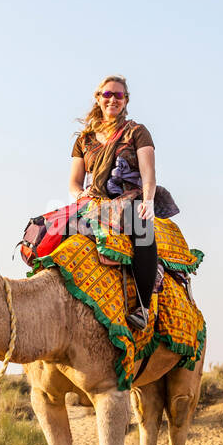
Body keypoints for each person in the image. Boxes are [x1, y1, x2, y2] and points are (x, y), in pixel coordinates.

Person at [69, 75, 163, 330]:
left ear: (125, 101)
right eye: (107, 95)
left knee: (141, 229)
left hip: (129, 198)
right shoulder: (84, 140)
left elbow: (148, 174)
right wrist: (80, 196)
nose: (112, 100)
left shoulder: (137, 132)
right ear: (98, 98)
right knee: (51, 231)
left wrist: (148, 201)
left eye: (118, 95)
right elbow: (74, 183)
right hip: (93, 201)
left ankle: (143, 306)